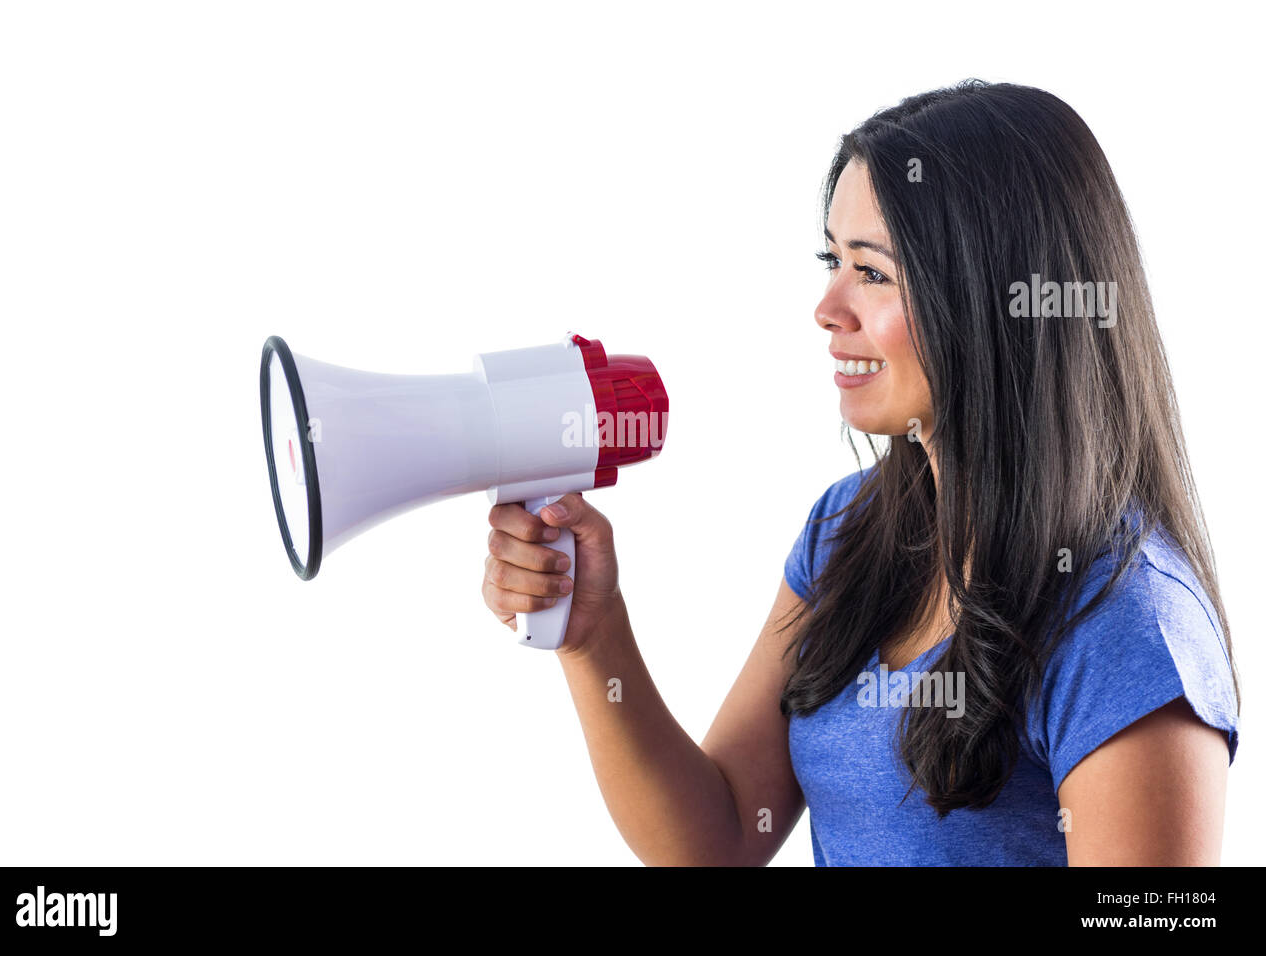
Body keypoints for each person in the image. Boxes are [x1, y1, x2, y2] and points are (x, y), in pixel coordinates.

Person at [480, 80, 1240, 866]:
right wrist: (593, 638)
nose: (827, 306)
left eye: (873, 272)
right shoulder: (845, 534)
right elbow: (722, 838)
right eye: (832, 260)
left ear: (992, 296)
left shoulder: (1126, 621)